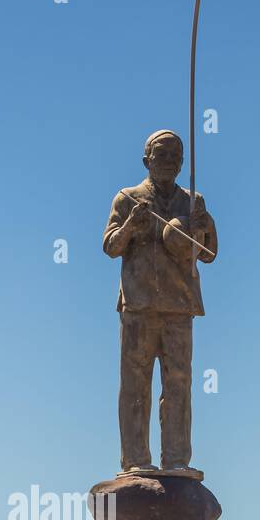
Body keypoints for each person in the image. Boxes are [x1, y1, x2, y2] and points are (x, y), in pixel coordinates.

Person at [103, 130, 217, 472]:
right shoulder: (128, 198)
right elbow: (111, 246)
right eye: (161, 154)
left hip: (179, 306)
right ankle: (136, 460)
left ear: (183, 162)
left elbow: (209, 253)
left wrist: (205, 224)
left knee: (179, 384)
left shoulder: (192, 201)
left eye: (175, 156)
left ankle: (177, 461)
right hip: (138, 306)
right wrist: (130, 227)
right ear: (146, 160)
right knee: (136, 385)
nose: (168, 161)